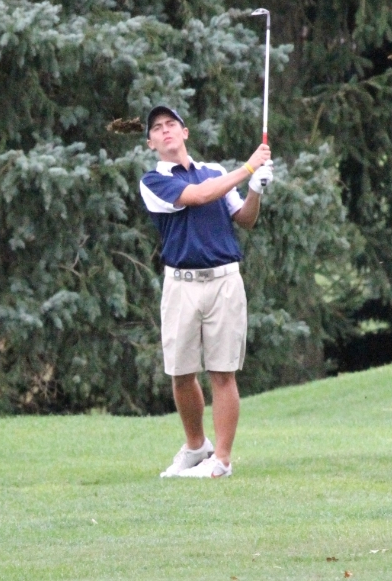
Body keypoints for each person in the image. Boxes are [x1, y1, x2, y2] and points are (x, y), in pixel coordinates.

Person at [138, 106, 273, 479]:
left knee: (222, 372)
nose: (164, 131)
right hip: (181, 284)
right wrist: (246, 169)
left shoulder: (215, 172)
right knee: (181, 374)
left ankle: (223, 461)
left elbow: (245, 219)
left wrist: (255, 191)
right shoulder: (153, 181)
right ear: (151, 142)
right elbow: (196, 196)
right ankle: (197, 446)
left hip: (224, 281)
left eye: (171, 125)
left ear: (185, 132)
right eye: (157, 129)